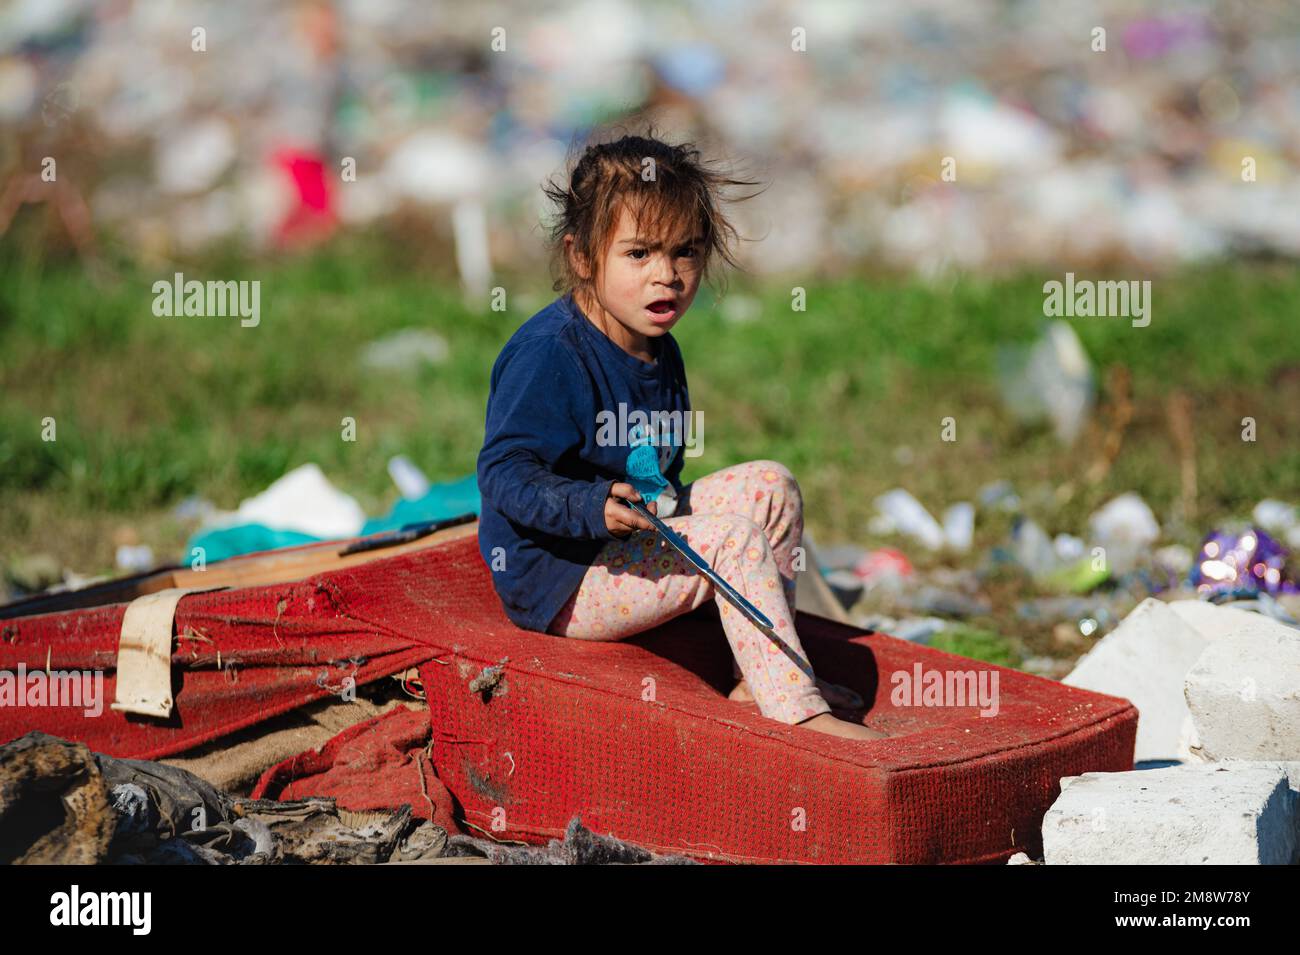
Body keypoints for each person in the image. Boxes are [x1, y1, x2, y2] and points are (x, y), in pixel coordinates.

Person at [476, 130, 886, 742]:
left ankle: (765, 679)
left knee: (772, 485)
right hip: (563, 577)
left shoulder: (657, 347)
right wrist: (590, 506)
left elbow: (654, 465)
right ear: (582, 257)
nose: (666, 276)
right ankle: (797, 711)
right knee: (731, 540)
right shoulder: (549, 355)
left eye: (685, 253)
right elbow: (503, 472)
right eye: (639, 254)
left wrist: (657, 505)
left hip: (632, 536)